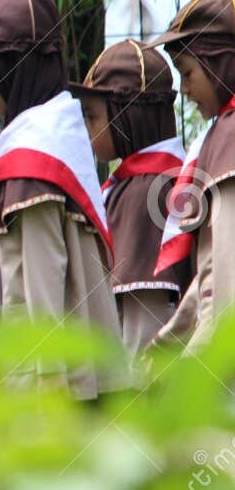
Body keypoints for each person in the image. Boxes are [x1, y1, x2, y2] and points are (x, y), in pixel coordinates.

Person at [0, 0, 125, 397]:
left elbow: (45, 291)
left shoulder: (32, 164)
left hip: (42, 391)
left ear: (11, 70)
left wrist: (48, 389)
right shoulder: (61, 139)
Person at [71, 39, 191, 355]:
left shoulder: (147, 192)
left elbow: (144, 329)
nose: (87, 129)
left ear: (128, 115)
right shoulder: (162, 180)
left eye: (92, 117)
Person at [146, 0, 235, 351]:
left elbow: (227, 288)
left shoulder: (231, 135)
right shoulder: (221, 131)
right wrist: (167, 345)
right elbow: (211, 277)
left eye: (187, 73)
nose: (184, 89)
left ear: (220, 61)